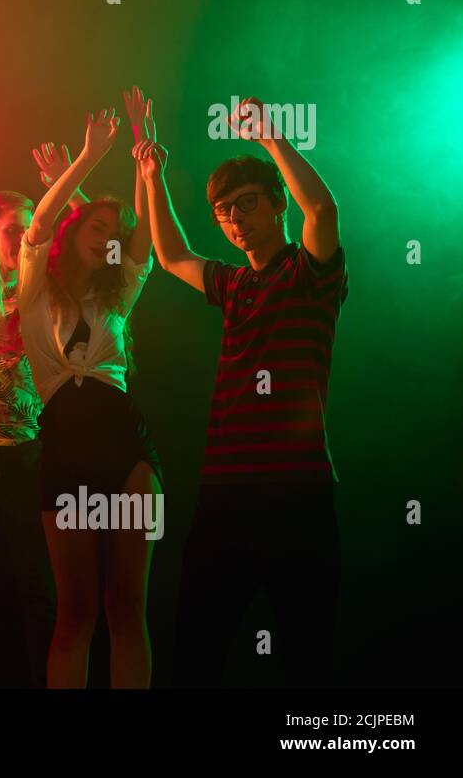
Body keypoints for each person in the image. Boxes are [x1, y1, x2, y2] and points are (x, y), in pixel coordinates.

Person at [142, 95, 346, 687]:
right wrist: (152, 179)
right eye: (225, 212)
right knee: (196, 654)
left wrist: (270, 137)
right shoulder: (232, 284)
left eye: (247, 205)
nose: (234, 220)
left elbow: (324, 210)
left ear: (277, 204)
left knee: (307, 660)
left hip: (297, 494)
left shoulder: (311, 273)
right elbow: (171, 254)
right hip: (224, 496)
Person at [18, 90, 161, 688]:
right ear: (78, 228)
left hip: (125, 450)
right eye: (97, 226)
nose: (108, 238)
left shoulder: (118, 295)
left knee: (126, 608)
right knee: (74, 613)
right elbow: (42, 223)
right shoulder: (34, 292)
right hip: (64, 454)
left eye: (114, 233)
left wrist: (144, 164)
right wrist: (85, 158)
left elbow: (145, 240)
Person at [0, 144, 87, 687]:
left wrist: (74, 177)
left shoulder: (44, 286)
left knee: (42, 589)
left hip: (37, 455)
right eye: (12, 229)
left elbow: (102, 246)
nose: (24, 239)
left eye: (29, 229)